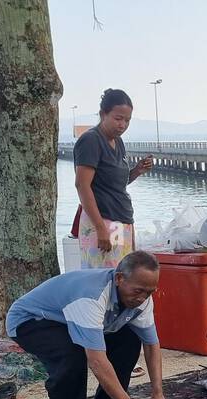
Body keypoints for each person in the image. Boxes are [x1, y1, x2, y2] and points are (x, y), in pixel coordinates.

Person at [6, 251, 170, 399]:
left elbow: (151, 345)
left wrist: (157, 392)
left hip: (69, 319)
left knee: (130, 337)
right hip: (32, 321)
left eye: (149, 292)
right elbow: (96, 361)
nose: (143, 298)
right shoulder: (91, 296)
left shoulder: (142, 300)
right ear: (119, 278)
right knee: (71, 355)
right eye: (138, 291)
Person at [74, 89, 154, 269]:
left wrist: (137, 171)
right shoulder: (91, 140)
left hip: (122, 220)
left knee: (122, 279)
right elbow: (82, 185)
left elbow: (116, 184)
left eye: (127, 120)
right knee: (102, 279)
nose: (123, 125)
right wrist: (100, 228)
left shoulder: (118, 142)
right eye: (118, 119)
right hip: (103, 222)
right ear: (103, 114)